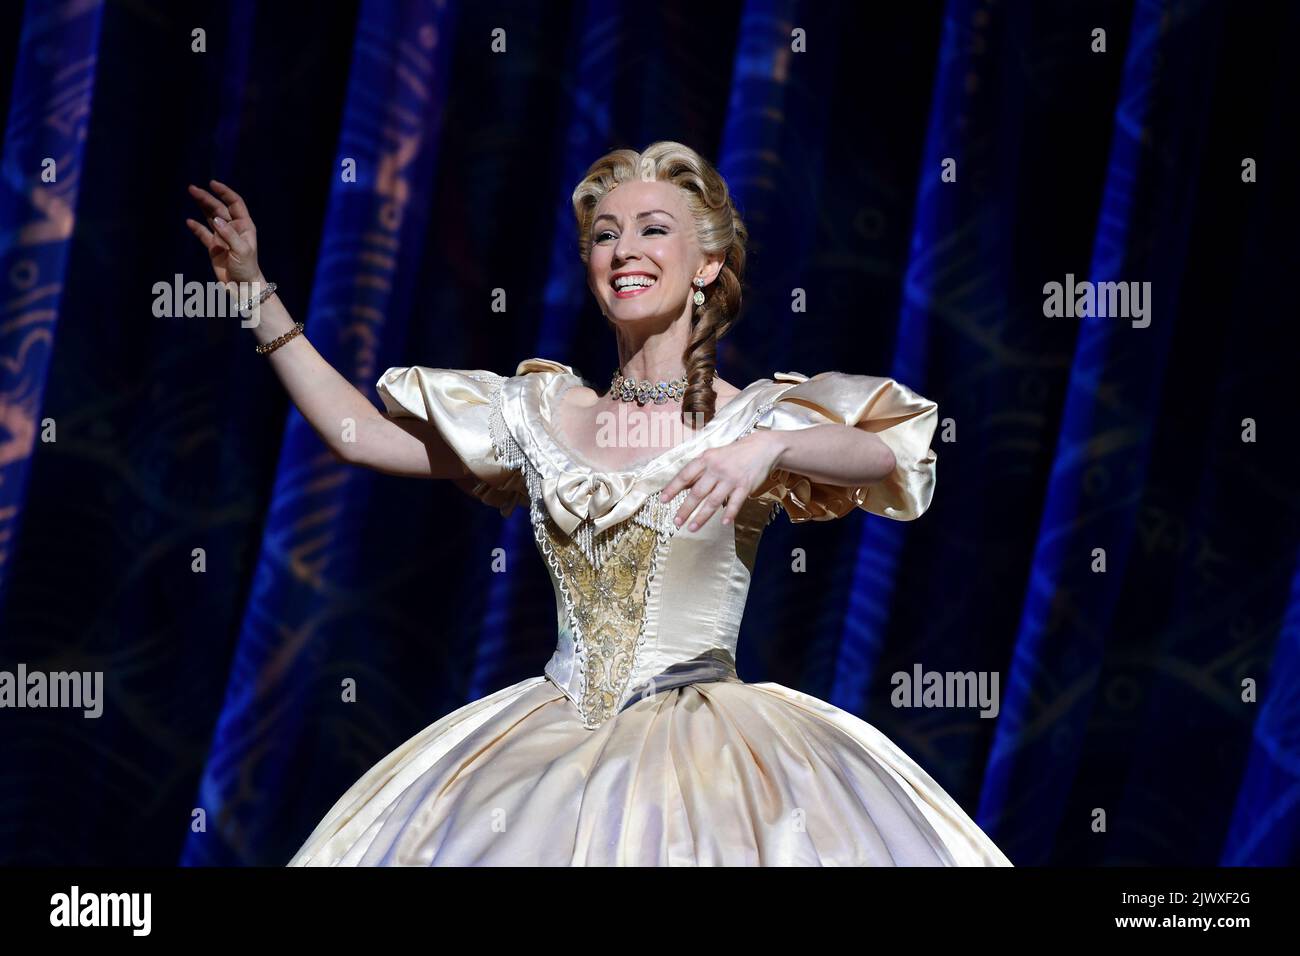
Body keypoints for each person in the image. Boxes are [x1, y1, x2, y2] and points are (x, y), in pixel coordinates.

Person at [186, 141, 1012, 866]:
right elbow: (359, 435)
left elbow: (889, 449)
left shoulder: (755, 415)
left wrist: (771, 445)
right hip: (551, 735)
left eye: (654, 229)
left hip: (707, 747)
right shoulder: (543, 414)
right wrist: (259, 297)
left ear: (708, 266)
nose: (626, 249)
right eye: (605, 235)